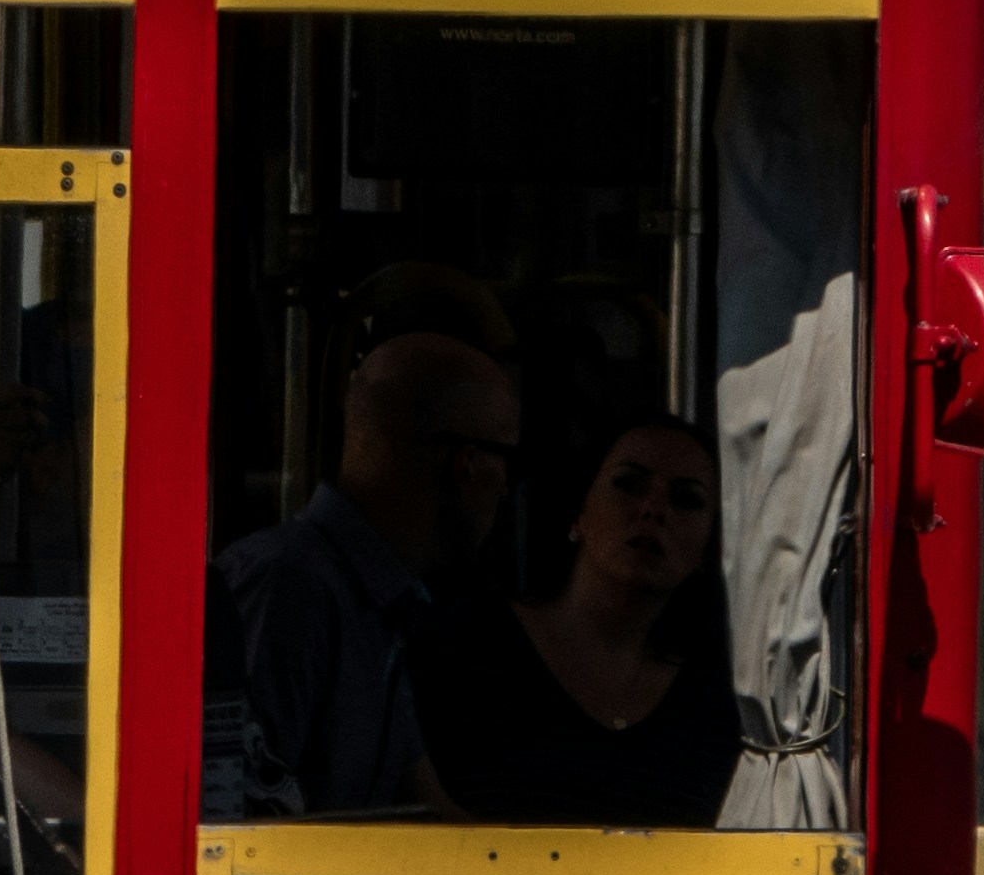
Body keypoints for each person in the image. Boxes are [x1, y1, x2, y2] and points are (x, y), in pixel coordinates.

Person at [211, 331, 518, 813]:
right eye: (508, 460)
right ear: (468, 465)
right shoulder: (290, 589)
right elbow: (243, 827)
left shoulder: (382, 603)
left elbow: (429, 811)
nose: (506, 491)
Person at [420, 415, 740, 827]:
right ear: (579, 514)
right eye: (628, 483)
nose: (653, 510)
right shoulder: (465, 647)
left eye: (686, 500)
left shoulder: (715, 707)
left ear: (707, 546)